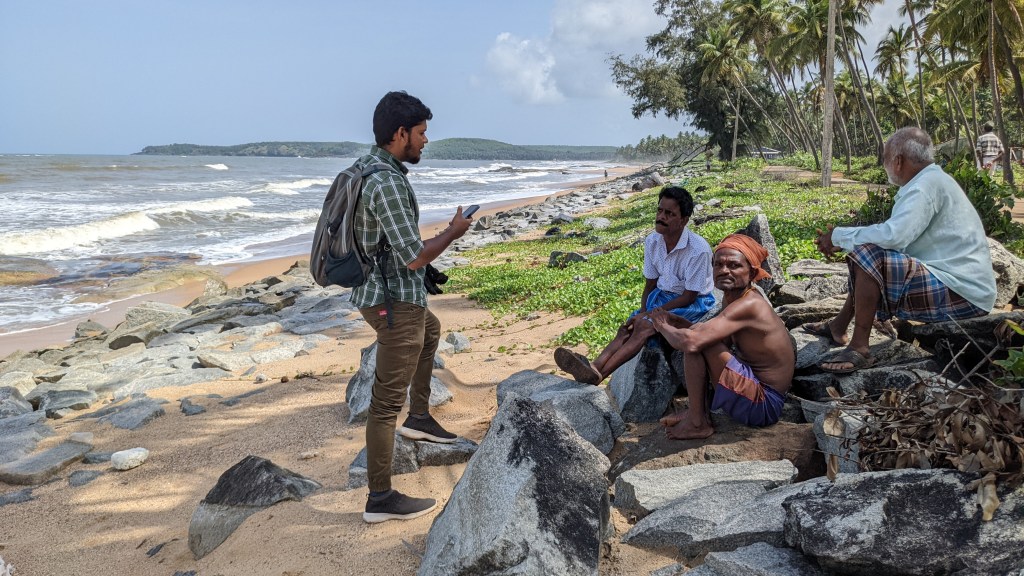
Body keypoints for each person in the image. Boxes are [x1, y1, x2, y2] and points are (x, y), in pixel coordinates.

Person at [352, 91, 473, 523]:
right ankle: (380, 498)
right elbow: (413, 257)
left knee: (433, 330)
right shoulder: (385, 181)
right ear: (400, 133)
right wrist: (454, 232)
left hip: (393, 294)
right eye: (420, 133)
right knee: (385, 405)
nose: (425, 140)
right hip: (392, 301)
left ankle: (420, 416)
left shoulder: (373, 168)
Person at [809, 127, 996, 373]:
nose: (884, 164)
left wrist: (841, 235)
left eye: (885, 159)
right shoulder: (930, 180)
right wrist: (842, 239)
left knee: (869, 255)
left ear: (897, 161)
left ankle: (859, 348)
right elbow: (896, 238)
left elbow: (894, 237)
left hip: (963, 292)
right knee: (869, 253)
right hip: (962, 286)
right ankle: (838, 326)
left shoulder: (923, 187)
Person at [553, 186, 715, 385]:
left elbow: (689, 297)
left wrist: (648, 316)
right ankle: (594, 366)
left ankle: (598, 376)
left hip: (693, 303)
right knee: (628, 327)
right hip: (663, 297)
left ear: (684, 220)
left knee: (645, 326)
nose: (661, 217)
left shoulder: (698, 250)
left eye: (670, 213)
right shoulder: (653, 241)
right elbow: (650, 285)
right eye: (660, 210)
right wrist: (644, 311)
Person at [650, 234, 795, 439]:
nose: (724, 271)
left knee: (697, 342)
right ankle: (697, 414)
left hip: (764, 404)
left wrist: (662, 325)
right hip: (753, 392)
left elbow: (693, 343)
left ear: (751, 272)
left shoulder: (749, 304)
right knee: (698, 336)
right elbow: (718, 342)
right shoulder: (735, 298)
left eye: (734, 266)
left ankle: (697, 422)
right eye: (718, 265)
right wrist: (686, 325)